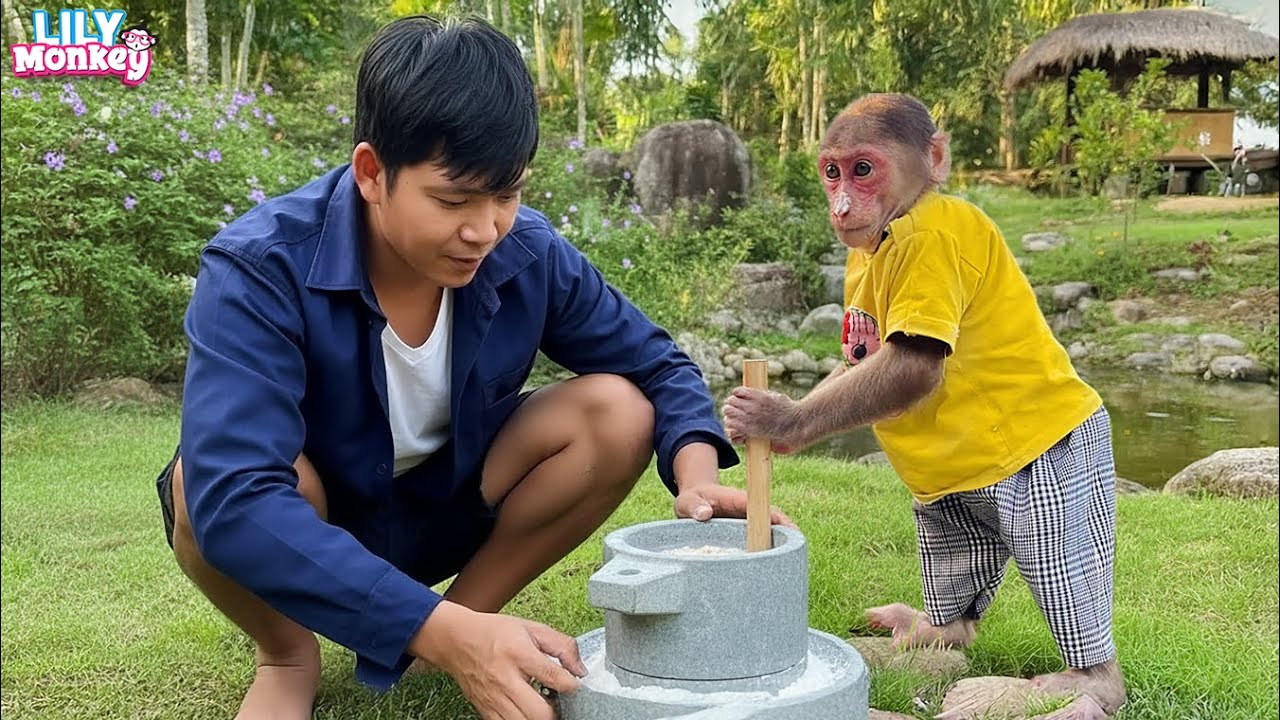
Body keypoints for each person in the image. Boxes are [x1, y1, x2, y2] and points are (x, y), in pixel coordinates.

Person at [156, 14, 788, 720]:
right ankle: (288, 655)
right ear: (372, 173)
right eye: (453, 199)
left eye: (507, 194)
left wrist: (696, 478)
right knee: (199, 483)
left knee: (617, 410)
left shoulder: (528, 253)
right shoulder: (259, 267)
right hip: (315, 528)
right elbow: (236, 499)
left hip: (447, 507)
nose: (484, 229)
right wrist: (433, 627)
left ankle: (457, 629)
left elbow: (655, 363)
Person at [723, 93, 1125, 717]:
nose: (842, 201)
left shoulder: (932, 231)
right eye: (832, 173)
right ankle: (948, 628)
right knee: (957, 545)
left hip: (1032, 442)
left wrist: (798, 418)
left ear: (933, 159)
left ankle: (1097, 676)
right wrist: (796, 423)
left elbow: (913, 368)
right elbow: (865, 360)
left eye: (863, 171)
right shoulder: (872, 250)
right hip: (954, 461)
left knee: (1057, 557)